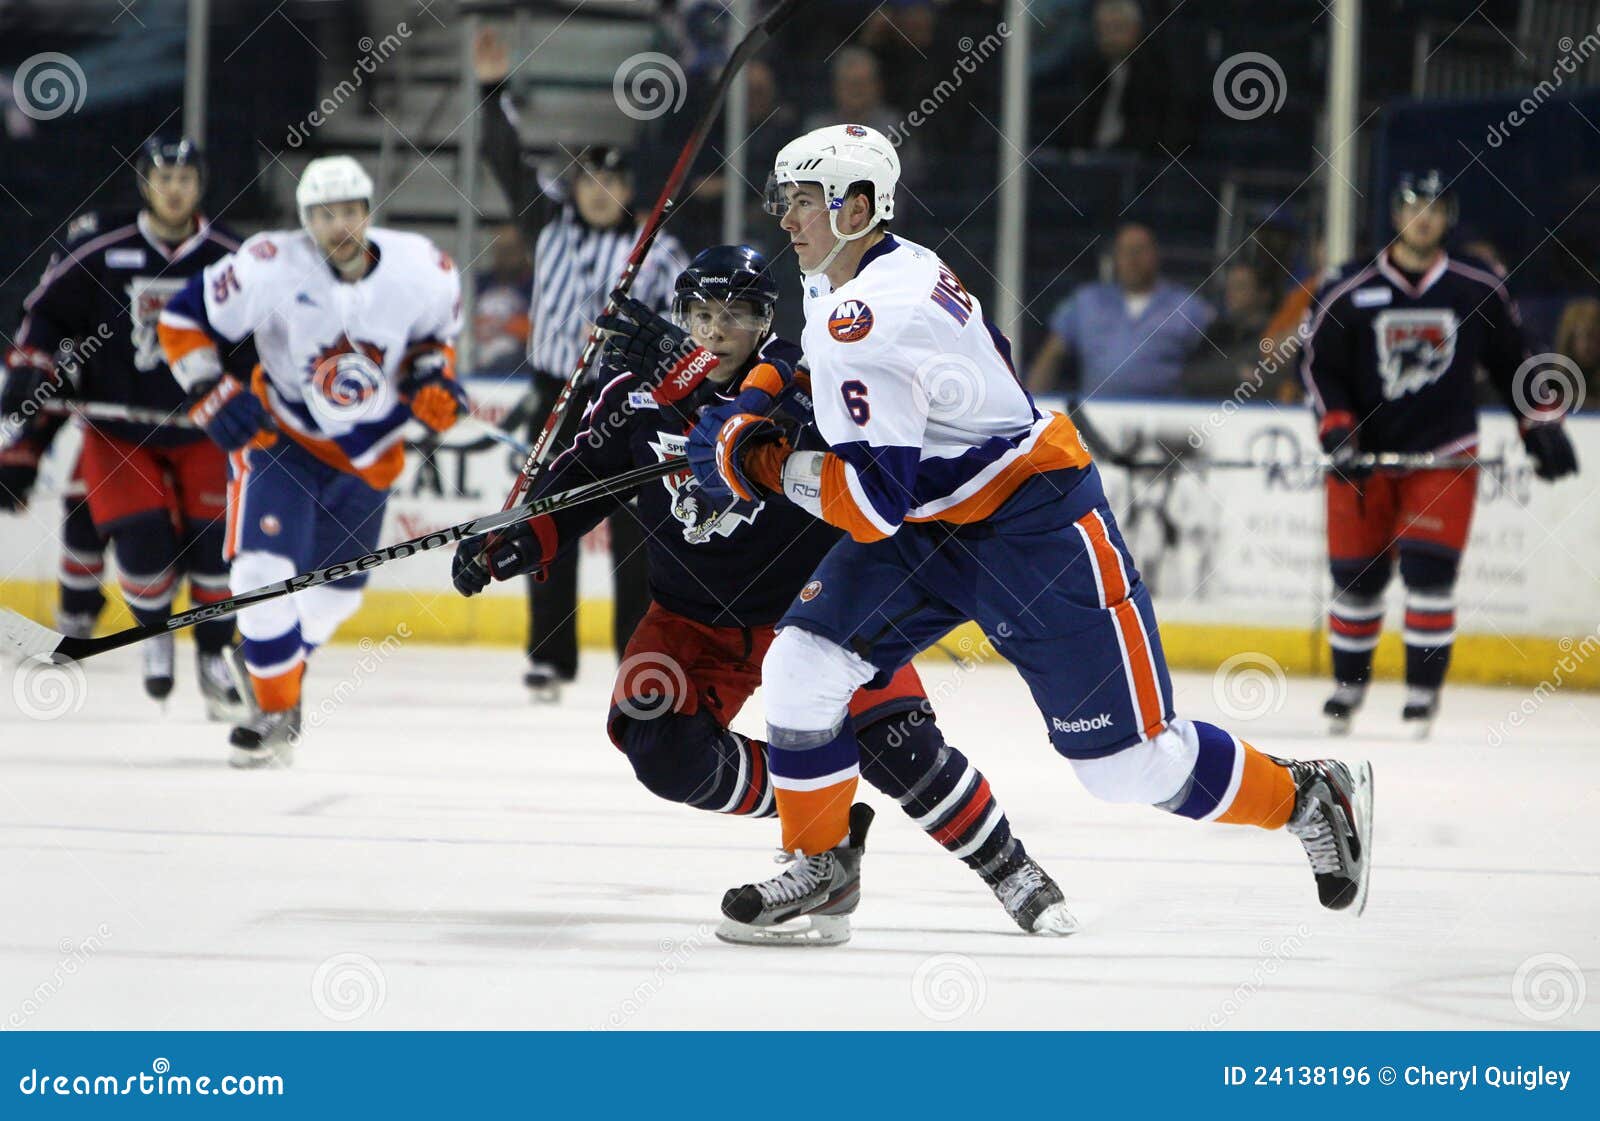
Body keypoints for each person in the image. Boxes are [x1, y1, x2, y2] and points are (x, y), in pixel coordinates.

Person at [687, 123, 1372, 945]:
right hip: (936, 519)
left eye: (803, 201)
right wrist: (764, 389)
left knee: (1129, 766)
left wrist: (756, 462)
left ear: (858, 204)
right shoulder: (870, 266)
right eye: (786, 200)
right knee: (802, 663)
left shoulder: (876, 308)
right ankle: (823, 866)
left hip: (1033, 528)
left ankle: (1307, 794)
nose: (787, 219)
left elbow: (870, 505)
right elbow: (871, 365)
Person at [449, 245, 1075, 938]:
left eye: (734, 316)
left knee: (900, 746)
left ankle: (1010, 867)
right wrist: (519, 536)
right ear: (679, 317)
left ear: (766, 319)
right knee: (658, 743)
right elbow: (580, 474)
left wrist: (693, 394)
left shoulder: (805, 378)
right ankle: (826, 827)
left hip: (815, 609)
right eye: (700, 315)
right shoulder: (633, 390)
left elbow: (759, 443)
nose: (715, 332)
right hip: (693, 620)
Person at [158, 155, 467, 766]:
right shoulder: (268, 265)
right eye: (325, 215)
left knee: (338, 595)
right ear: (306, 220)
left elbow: (435, 342)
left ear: (367, 211)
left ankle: (263, 664)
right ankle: (275, 712)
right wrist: (212, 393)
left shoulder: (422, 268)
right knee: (258, 572)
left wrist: (437, 383)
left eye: (350, 211)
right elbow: (182, 317)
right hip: (283, 441)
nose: (340, 225)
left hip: (368, 453)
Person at [1301, 170, 1579, 737]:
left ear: (1447, 217)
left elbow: (1514, 358)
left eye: (1435, 207)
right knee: (1357, 579)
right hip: (1366, 460)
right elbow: (1318, 367)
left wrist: (1539, 422)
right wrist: (1337, 430)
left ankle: (1422, 694)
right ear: (1395, 215)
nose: (1423, 217)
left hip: (1444, 455)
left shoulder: (1476, 285)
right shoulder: (1348, 287)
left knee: (1430, 572)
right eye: (1412, 205)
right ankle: (1348, 687)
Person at [0, 139, 246, 718]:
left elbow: (263, 335)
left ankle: (213, 654)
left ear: (201, 184)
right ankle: (156, 631)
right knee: (143, 551)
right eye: (165, 177)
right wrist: (26, 381)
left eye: (186, 177)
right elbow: (44, 319)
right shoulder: (100, 248)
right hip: (119, 430)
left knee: (215, 557)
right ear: (144, 183)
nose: (175, 188)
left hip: (204, 429)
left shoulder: (231, 257)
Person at [475, 27, 679, 699]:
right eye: (589, 177)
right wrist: (490, 89)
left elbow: (687, 331)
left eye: (612, 179)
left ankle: (634, 653)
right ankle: (550, 655)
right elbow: (504, 159)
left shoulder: (660, 250)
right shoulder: (549, 226)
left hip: (630, 404)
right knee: (546, 522)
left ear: (627, 189)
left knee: (635, 535)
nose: (599, 189)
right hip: (559, 391)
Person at [1028, 223, 1214, 398]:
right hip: (1095, 415)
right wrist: (1030, 410)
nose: (1132, 258)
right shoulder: (1087, 301)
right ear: (1115, 258)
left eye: (1140, 250)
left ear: (1156, 255)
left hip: (1164, 418)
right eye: (1124, 251)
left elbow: (1218, 357)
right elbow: (1051, 353)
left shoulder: (1186, 305)